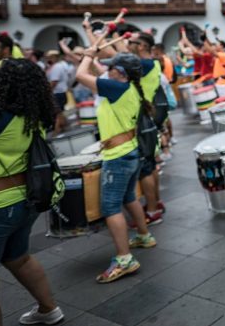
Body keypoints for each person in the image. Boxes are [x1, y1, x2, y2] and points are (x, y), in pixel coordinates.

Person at [75, 51, 157, 283]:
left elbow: (81, 74)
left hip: (119, 156)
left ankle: (124, 258)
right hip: (129, 151)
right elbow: (92, 74)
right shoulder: (126, 87)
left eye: (111, 67)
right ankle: (144, 235)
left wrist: (89, 55)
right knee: (129, 197)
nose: (107, 69)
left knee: (110, 206)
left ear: (119, 72)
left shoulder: (116, 88)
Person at [0, 59, 63, 325]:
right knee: (18, 258)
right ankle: (48, 309)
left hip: (0, 205)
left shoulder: (0, 116)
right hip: (26, 200)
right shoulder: (37, 114)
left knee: (19, 258)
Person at [126, 32, 164, 225]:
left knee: (146, 169)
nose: (127, 44)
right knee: (151, 163)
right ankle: (155, 203)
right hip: (147, 117)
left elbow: (117, 58)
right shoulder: (153, 62)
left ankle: (151, 210)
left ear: (141, 46)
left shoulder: (146, 64)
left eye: (131, 42)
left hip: (142, 120)